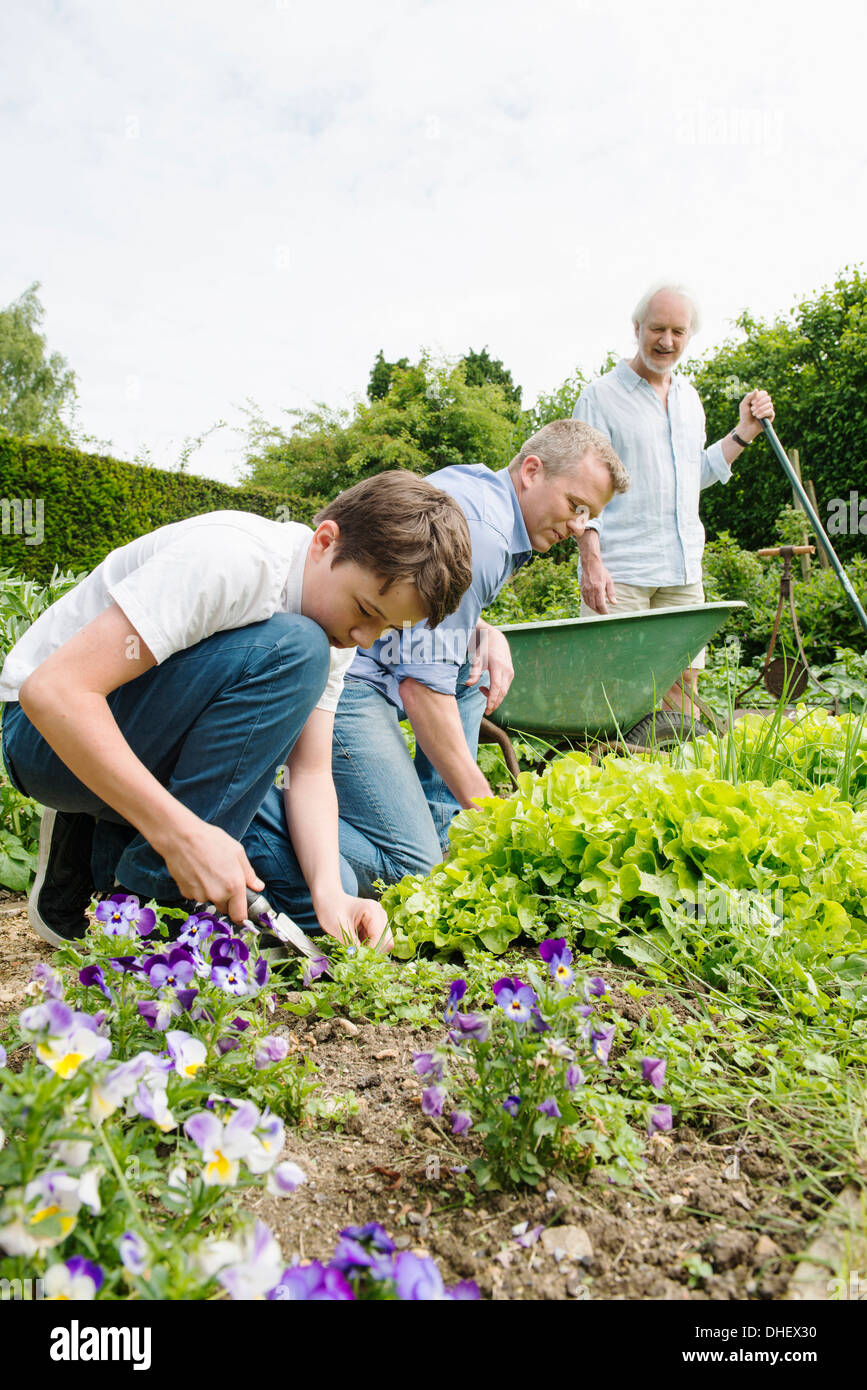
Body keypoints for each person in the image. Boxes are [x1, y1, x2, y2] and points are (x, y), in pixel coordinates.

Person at [0, 472, 473, 953]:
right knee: (299, 647)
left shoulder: (340, 628)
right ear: (325, 542)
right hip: (43, 739)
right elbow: (53, 692)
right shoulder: (235, 559)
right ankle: (152, 900)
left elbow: (309, 773)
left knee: (318, 904)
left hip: (160, 752)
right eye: (367, 611)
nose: (366, 639)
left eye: (386, 628)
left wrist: (332, 895)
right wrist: (182, 835)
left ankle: (105, 836)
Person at [242, 419, 629, 915]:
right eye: (576, 506)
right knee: (412, 872)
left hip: (374, 663)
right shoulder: (487, 536)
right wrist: (496, 816)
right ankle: (259, 811)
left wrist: (485, 628)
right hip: (347, 679)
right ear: (532, 470)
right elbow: (421, 691)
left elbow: (434, 625)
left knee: (475, 665)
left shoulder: (479, 488)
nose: (579, 526)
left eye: (589, 516)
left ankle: (437, 829)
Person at [572, 282, 775, 733]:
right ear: (637, 327)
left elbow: (692, 476)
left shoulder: (689, 400)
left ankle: (674, 787)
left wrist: (743, 432)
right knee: (613, 694)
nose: (667, 341)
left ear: (689, 336)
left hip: (682, 572)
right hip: (620, 571)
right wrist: (590, 560)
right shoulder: (600, 397)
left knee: (682, 692)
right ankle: (609, 790)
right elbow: (578, 488)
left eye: (678, 331)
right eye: (658, 328)